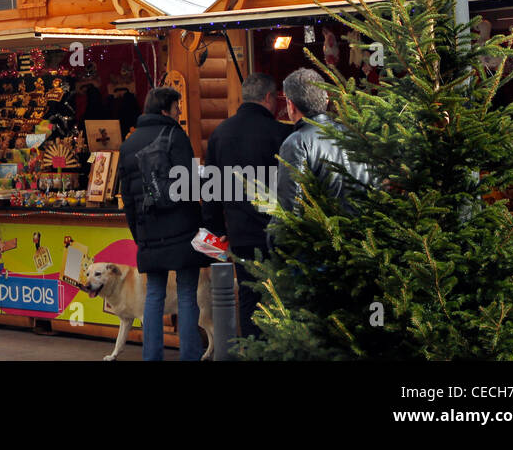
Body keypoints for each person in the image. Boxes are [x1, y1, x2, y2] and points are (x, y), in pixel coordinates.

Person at [118, 86, 215, 361]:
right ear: (165, 110)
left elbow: (128, 197)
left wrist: (139, 234)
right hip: (182, 228)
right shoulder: (175, 136)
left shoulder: (128, 145)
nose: (180, 111)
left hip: (149, 230)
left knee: (154, 296)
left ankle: (152, 357)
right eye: (177, 106)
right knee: (186, 294)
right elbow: (187, 184)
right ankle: (190, 355)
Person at [204, 72, 289, 338]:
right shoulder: (281, 133)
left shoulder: (220, 133)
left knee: (250, 299)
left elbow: (210, 189)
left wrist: (216, 230)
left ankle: (253, 350)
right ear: (268, 98)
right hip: (277, 234)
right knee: (279, 297)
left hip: (240, 234)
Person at [276, 67, 372, 213]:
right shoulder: (356, 136)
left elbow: (290, 208)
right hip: (366, 231)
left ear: (291, 105)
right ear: (326, 100)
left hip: (322, 233)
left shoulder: (297, 143)